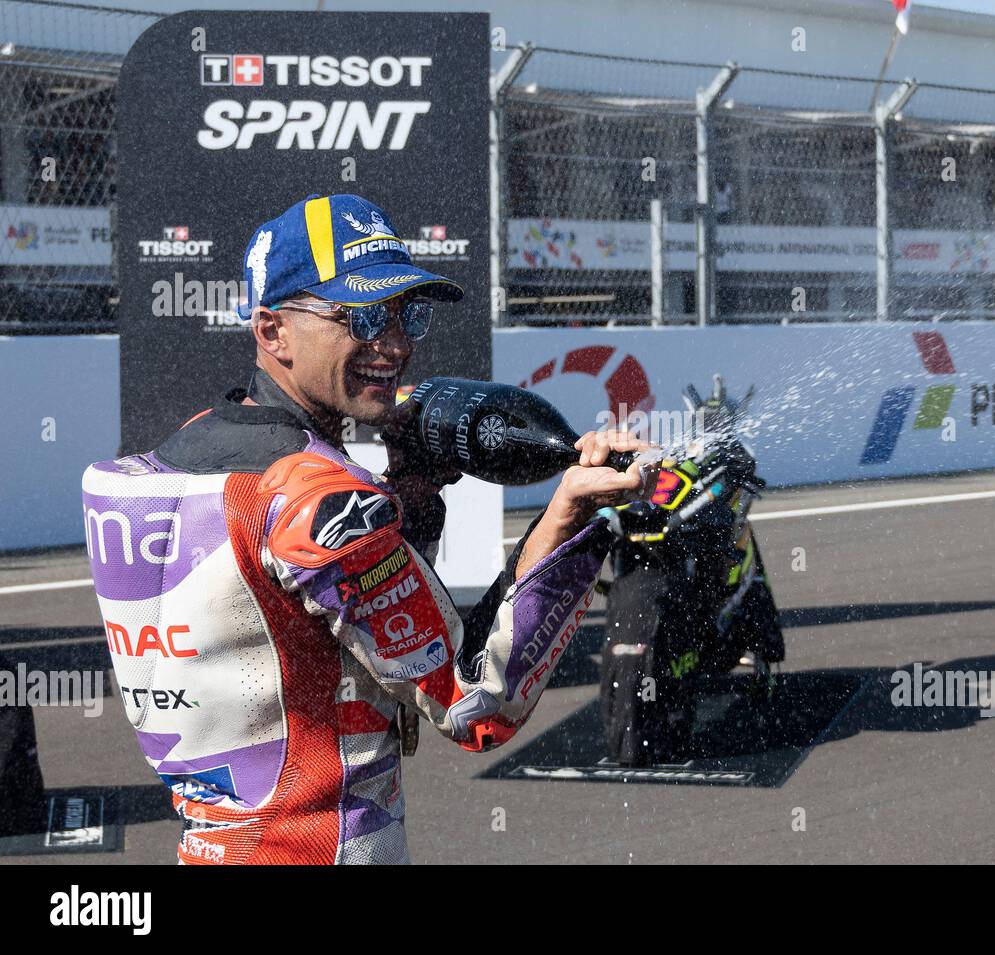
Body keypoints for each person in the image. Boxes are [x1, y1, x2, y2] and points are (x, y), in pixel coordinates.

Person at [81, 194, 655, 864]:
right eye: (362, 315)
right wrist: (572, 518)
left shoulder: (154, 471)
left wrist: (410, 497)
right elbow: (477, 703)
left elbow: (308, 632)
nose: (396, 343)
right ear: (272, 331)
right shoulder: (319, 498)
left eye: (408, 313)